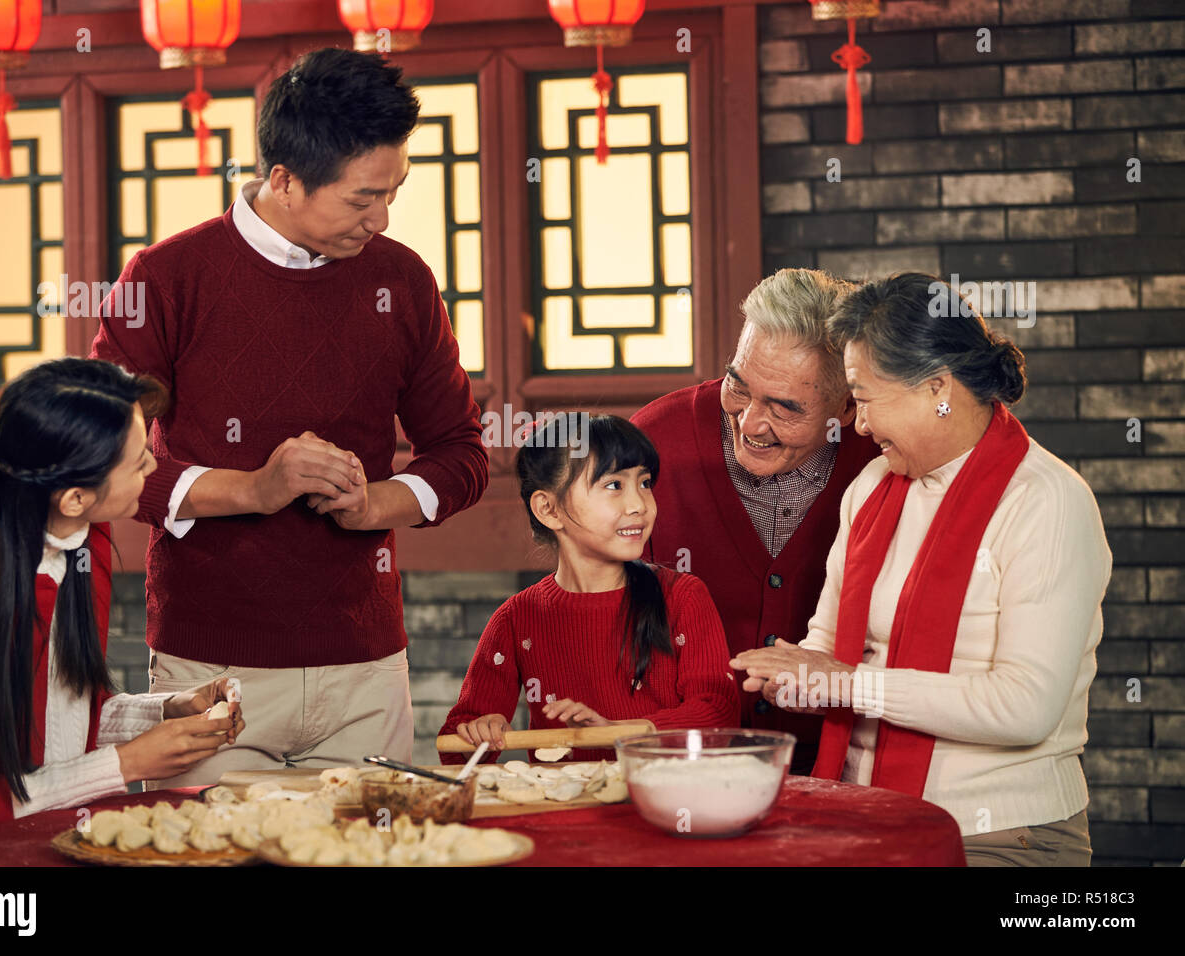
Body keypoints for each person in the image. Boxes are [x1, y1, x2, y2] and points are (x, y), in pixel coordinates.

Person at [89, 48, 489, 785]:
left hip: (366, 673)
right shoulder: (166, 278)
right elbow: (102, 461)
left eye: (395, 191)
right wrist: (253, 489)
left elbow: (462, 452)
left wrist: (376, 505)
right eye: (362, 198)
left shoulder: (403, 281)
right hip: (211, 673)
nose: (383, 218)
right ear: (283, 180)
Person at [733, 272, 1111, 866]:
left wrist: (847, 684)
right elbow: (828, 652)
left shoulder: (1046, 501)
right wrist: (788, 676)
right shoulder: (872, 488)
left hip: (1002, 833)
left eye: (864, 397)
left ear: (937, 386)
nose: (857, 425)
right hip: (865, 814)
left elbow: (1026, 707)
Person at [0, 358, 243, 866]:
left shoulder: (84, 538)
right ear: (74, 497)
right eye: (138, 460)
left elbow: (66, 718)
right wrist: (127, 763)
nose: (152, 468)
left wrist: (163, 711)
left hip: (44, 839)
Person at [631, 268, 878, 773]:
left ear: (848, 406)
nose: (748, 423)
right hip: (678, 762)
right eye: (737, 386)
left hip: (839, 766)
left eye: (784, 408)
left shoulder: (882, 457)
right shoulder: (653, 443)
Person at [438, 415, 740, 765]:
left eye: (644, 483)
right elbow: (456, 747)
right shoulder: (516, 618)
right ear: (549, 510)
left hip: (666, 806)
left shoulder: (684, 596)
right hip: (562, 810)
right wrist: (479, 731)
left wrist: (618, 732)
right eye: (614, 485)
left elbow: (718, 714)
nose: (639, 504)